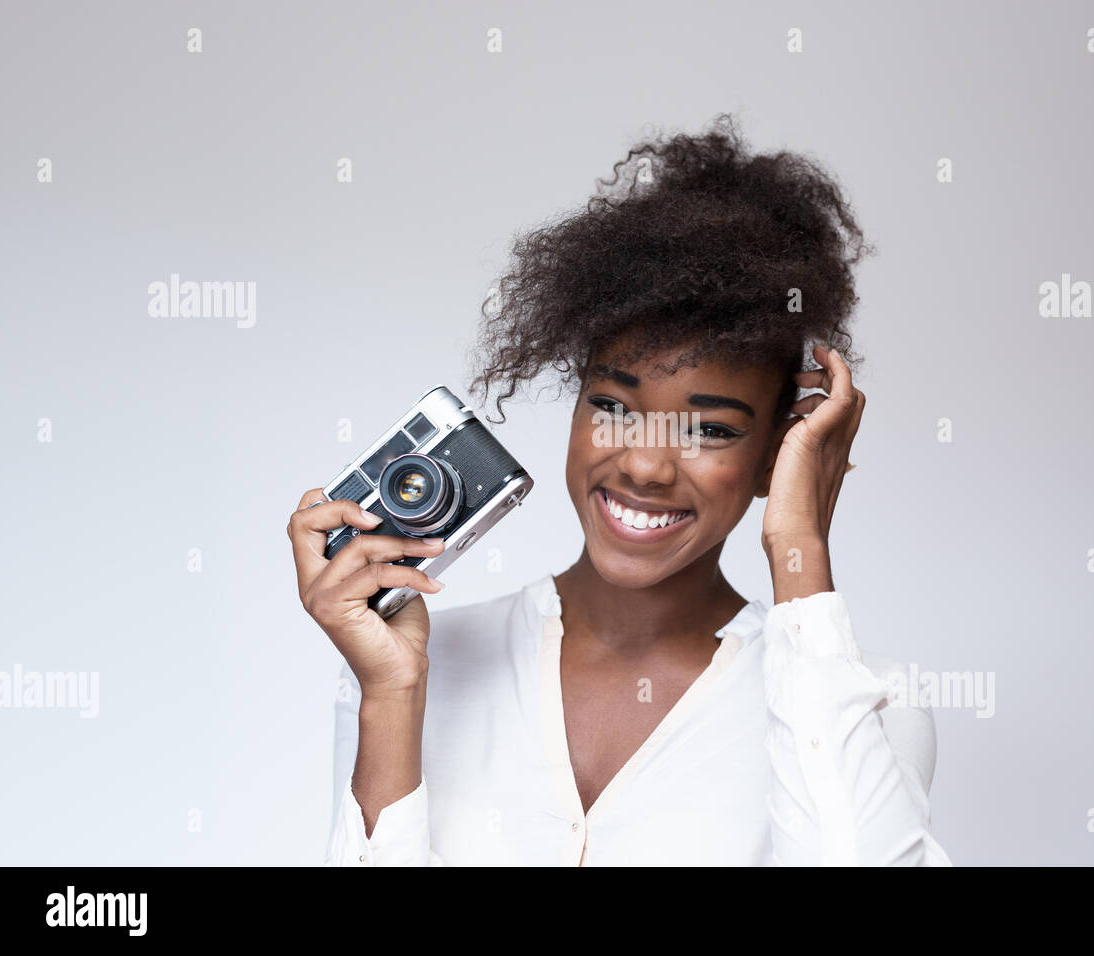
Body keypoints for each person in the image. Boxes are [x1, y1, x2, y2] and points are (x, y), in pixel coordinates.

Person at [288, 115, 952, 865]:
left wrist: (799, 547)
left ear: (777, 458)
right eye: (613, 407)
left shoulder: (859, 704)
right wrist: (394, 694)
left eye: (710, 431)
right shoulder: (415, 665)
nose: (644, 466)